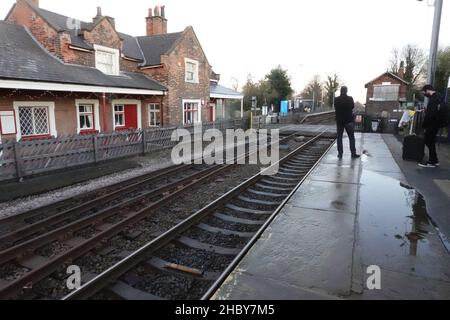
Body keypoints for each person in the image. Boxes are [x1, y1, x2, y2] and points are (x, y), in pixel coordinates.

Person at [418, 84, 442, 168]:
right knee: (430, 142)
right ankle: (435, 160)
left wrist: (424, 125)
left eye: (424, 92)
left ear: (428, 90)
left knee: (428, 141)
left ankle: (432, 162)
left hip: (432, 124)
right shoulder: (439, 97)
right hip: (437, 123)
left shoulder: (433, 99)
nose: (424, 94)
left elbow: (430, 114)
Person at [334, 86, 360, 159]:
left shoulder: (336, 99)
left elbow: (336, 107)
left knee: (339, 138)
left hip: (339, 121)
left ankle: (340, 154)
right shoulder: (350, 99)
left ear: (340, 91)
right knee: (351, 138)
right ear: (346, 91)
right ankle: (353, 153)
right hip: (348, 121)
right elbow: (352, 107)